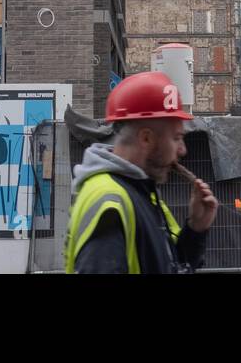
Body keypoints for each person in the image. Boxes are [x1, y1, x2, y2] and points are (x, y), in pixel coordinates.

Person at [64, 72, 219, 274]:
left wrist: (195, 229)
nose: (182, 150)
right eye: (176, 138)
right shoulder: (110, 203)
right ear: (146, 138)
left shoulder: (138, 192)